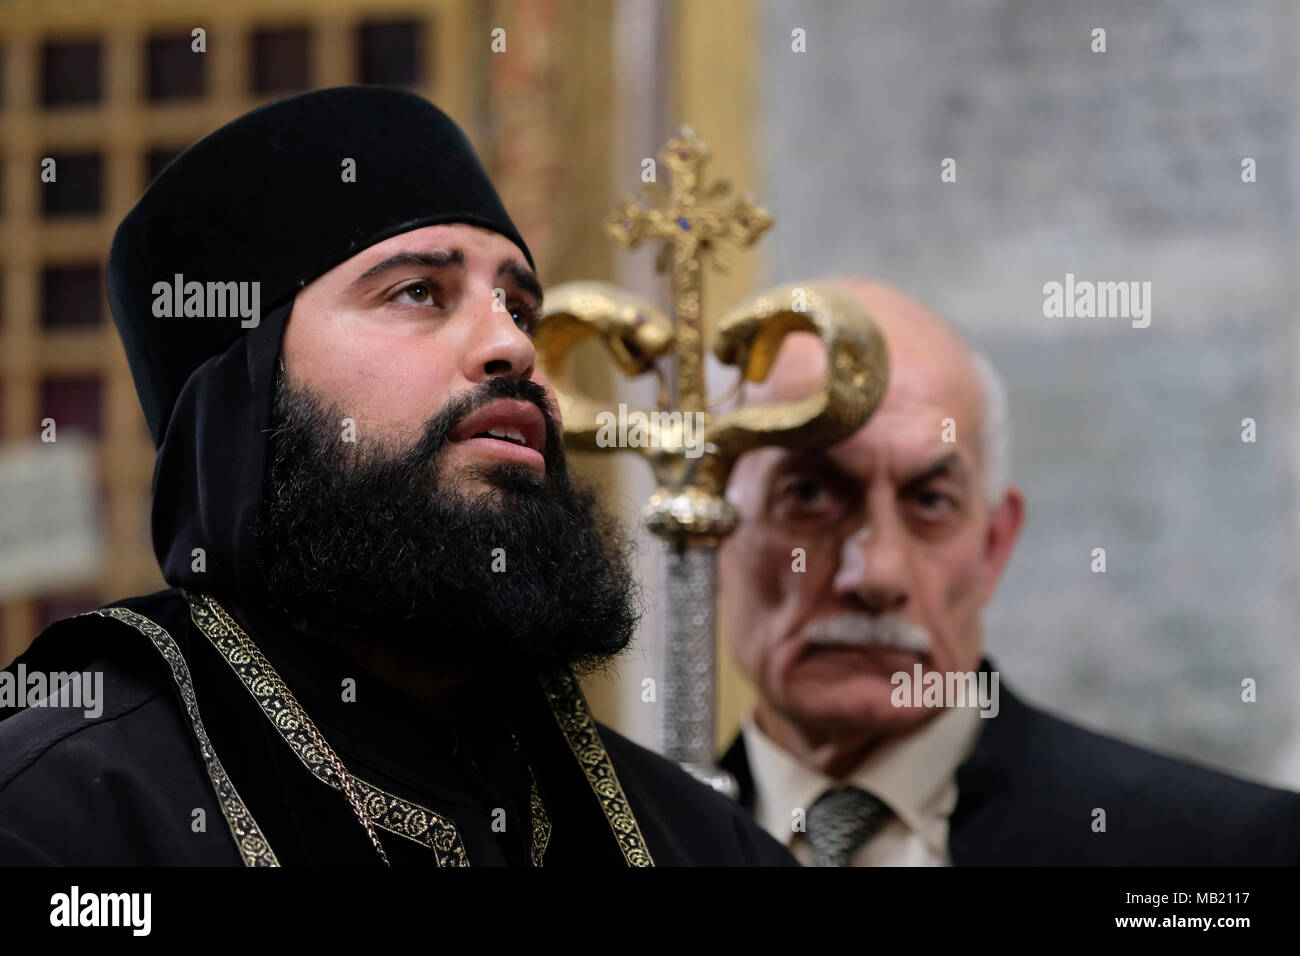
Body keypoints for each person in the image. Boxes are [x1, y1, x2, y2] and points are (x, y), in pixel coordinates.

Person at [0, 86, 793, 867]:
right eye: (418, 291)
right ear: (244, 397)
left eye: (519, 307)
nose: (514, 348)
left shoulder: (699, 841)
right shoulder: (57, 815)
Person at [716, 276, 1300, 866]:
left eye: (929, 502)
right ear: (708, 533)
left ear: (994, 545)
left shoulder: (1223, 855)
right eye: (809, 495)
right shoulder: (642, 838)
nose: (876, 574)